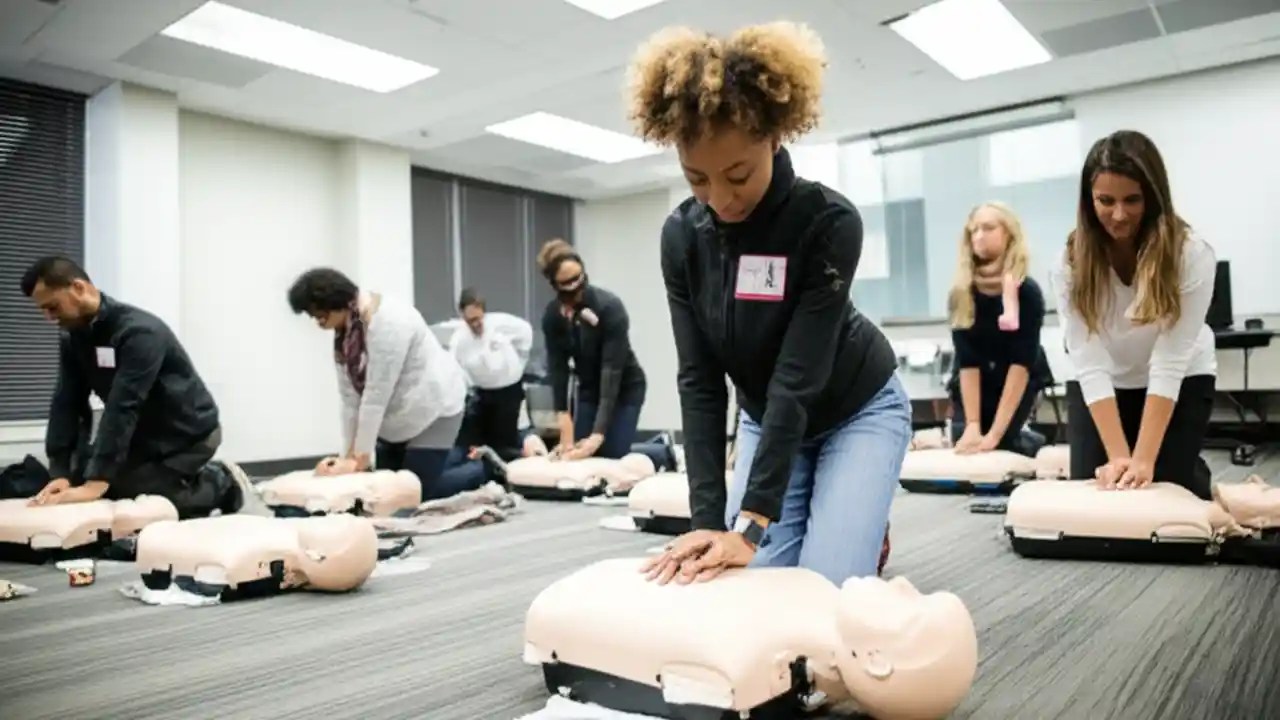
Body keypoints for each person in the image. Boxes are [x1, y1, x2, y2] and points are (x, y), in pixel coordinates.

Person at [628, 22, 910, 587]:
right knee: (742, 581)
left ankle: (861, 518)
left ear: (775, 137)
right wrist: (709, 523)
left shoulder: (828, 223)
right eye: (697, 179)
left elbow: (797, 379)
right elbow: (700, 381)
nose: (721, 200)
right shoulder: (682, 237)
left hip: (858, 409)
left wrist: (752, 524)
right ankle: (825, 512)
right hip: (767, 419)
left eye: (737, 174)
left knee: (822, 586)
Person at [20, 256, 256, 519]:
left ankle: (223, 482)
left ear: (78, 288)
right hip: (141, 435)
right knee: (86, 482)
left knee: (142, 498)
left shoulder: (140, 333)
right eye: (43, 310)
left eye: (53, 307)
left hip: (187, 434)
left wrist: (97, 481)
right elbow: (67, 401)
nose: (49, 317)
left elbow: (124, 405)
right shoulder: (73, 337)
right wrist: (61, 473)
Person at [1057, 130, 1217, 499]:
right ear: (1088, 201)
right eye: (1105, 200)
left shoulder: (1191, 255)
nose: (1118, 214)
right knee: (1097, 487)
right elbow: (1088, 360)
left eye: (1133, 200)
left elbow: (1170, 359)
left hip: (1181, 376)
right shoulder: (1068, 263)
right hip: (1105, 381)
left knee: (1166, 489)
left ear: (1154, 197)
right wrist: (1118, 456)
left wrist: (1142, 461)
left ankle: (1188, 467)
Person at [287, 268, 477, 501]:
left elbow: (375, 396)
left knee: (414, 495)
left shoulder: (388, 323)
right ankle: (453, 457)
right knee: (383, 493)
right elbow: (349, 400)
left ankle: (483, 468)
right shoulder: (345, 336)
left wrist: (359, 460)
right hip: (397, 416)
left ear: (336, 302)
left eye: (319, 315)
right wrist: (347, 456)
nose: (318, 323)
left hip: (435, 407)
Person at [947, 202, 1053, 457]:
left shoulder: (1027, 292)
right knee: (963, 439)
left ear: (1009, 234)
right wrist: (973, 426)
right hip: (975, 380)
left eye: (988, 228)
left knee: (1003, 443)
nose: (979, 236)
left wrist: (994, 435)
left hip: (1015, 379)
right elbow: (967, 361)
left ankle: (1030, 439)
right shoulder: (961, 292)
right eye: (974, 231)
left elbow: (1021, 364)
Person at [537, 238, 652, 461]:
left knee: (611, 455)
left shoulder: (609, 307)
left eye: (578, 279)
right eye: (567, 282)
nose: (576, 288)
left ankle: (662, 452)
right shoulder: (553, 317)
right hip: (589, 389)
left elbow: (611, 372)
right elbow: (558, 370)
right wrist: (564, 423)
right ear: (555, 284)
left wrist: (598, 435)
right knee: (578, 452)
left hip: (624, 387)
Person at [449, 288, 533, 461]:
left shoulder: (502, 324)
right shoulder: (459, 340)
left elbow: (526, 333)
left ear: (483, 312)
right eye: (470, 320)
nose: (475, 324)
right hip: (483, 392)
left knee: (507, 444)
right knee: (479, 444)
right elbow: (455, 371)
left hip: (510, 390)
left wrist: (520, 361)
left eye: (478, 319)